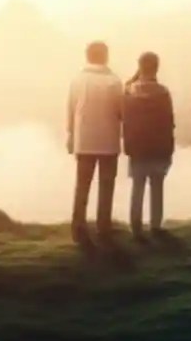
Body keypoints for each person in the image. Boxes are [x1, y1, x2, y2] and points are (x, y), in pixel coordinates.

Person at [67, 41, 124, 245]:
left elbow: (71, 109)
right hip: (108, 141)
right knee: (106, 186)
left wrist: (71, 135)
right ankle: (103, 226)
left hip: (84, 140)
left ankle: (78, 226)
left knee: (82, 185)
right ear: (106, 56)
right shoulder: (115, 81)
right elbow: (121, 112)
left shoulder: (78, 80)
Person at [123, 52, 174, 241]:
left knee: (137, 186)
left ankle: (135, 225)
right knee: (157, 186)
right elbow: (168, 122)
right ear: (157, 67)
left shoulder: (129, 91)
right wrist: (169, 148)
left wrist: (127, 145)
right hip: (159, 146)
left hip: (137, 147)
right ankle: (155, 225)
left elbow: (125, 121)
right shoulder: (163, 92)